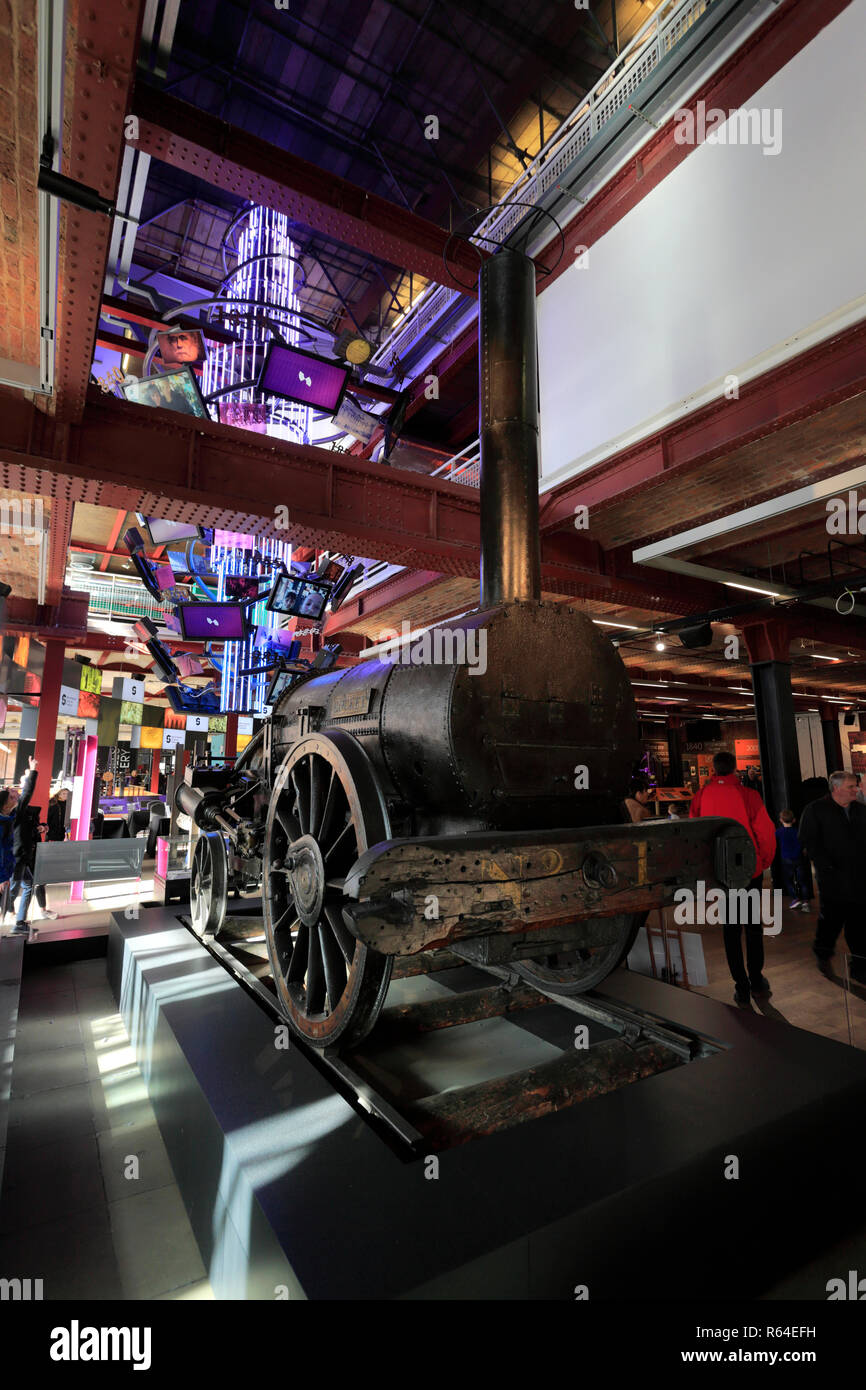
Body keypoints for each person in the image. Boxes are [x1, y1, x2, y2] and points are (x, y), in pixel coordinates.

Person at [690, 750, 777, 1005]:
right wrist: (762, 862)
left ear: (714, 770)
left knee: (730, 928)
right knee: (752, 926)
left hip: (720, 873)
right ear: (735, 768)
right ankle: (757, 979)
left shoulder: (701, 796)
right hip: (748, 871)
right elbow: (765, 832)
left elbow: (695, 835)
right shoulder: (748, 794)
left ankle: (740, 985)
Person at [798, 771, 866, 983]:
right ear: (836, 788)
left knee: (860, 925)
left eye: (856, 786)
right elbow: (808, 841)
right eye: (851, 787)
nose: (856, 790)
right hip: (833, 880)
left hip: (860, 878)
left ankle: (860, 968)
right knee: (832, 921)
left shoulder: (861, 811)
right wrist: (826, 868)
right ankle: (823, 952)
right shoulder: (816, 810)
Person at [776, 809, 810, 911]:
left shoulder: (778, 832)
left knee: (788, 881)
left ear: (781, 820)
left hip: (786, 860)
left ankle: (796, 899)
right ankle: (805, 902)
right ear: (794, 820)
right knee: (802, 881)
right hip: (799, 859)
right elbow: (804, 843)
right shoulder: (797, 831)